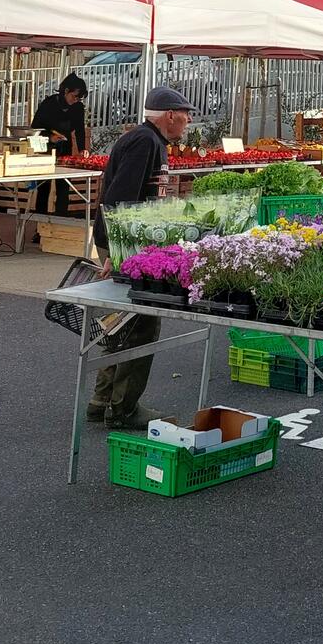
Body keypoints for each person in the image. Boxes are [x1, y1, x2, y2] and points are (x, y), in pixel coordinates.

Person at [88, 85, 191, 429]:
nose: (188, 121)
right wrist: (117, 253)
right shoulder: (145, 142)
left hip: (127, 242)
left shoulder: (148, 141)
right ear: (170, 115)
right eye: (185, 114)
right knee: (143, 324)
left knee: (122, 322)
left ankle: (102, 399)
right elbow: (120, 199)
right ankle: (123, 409)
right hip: (126, 244)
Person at [31, 71, 90, 213]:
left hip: (65, 149)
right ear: (65, 91)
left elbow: (80, 129)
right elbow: (35, 128)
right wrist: (50, 137)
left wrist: (82, 148)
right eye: (75, 96)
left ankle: (61, 220)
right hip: (46, 149)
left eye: (79, 98)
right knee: (43, 188)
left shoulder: (77, 108)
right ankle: (40, 226)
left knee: (63, 187)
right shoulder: (49, 103)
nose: (76, 100)